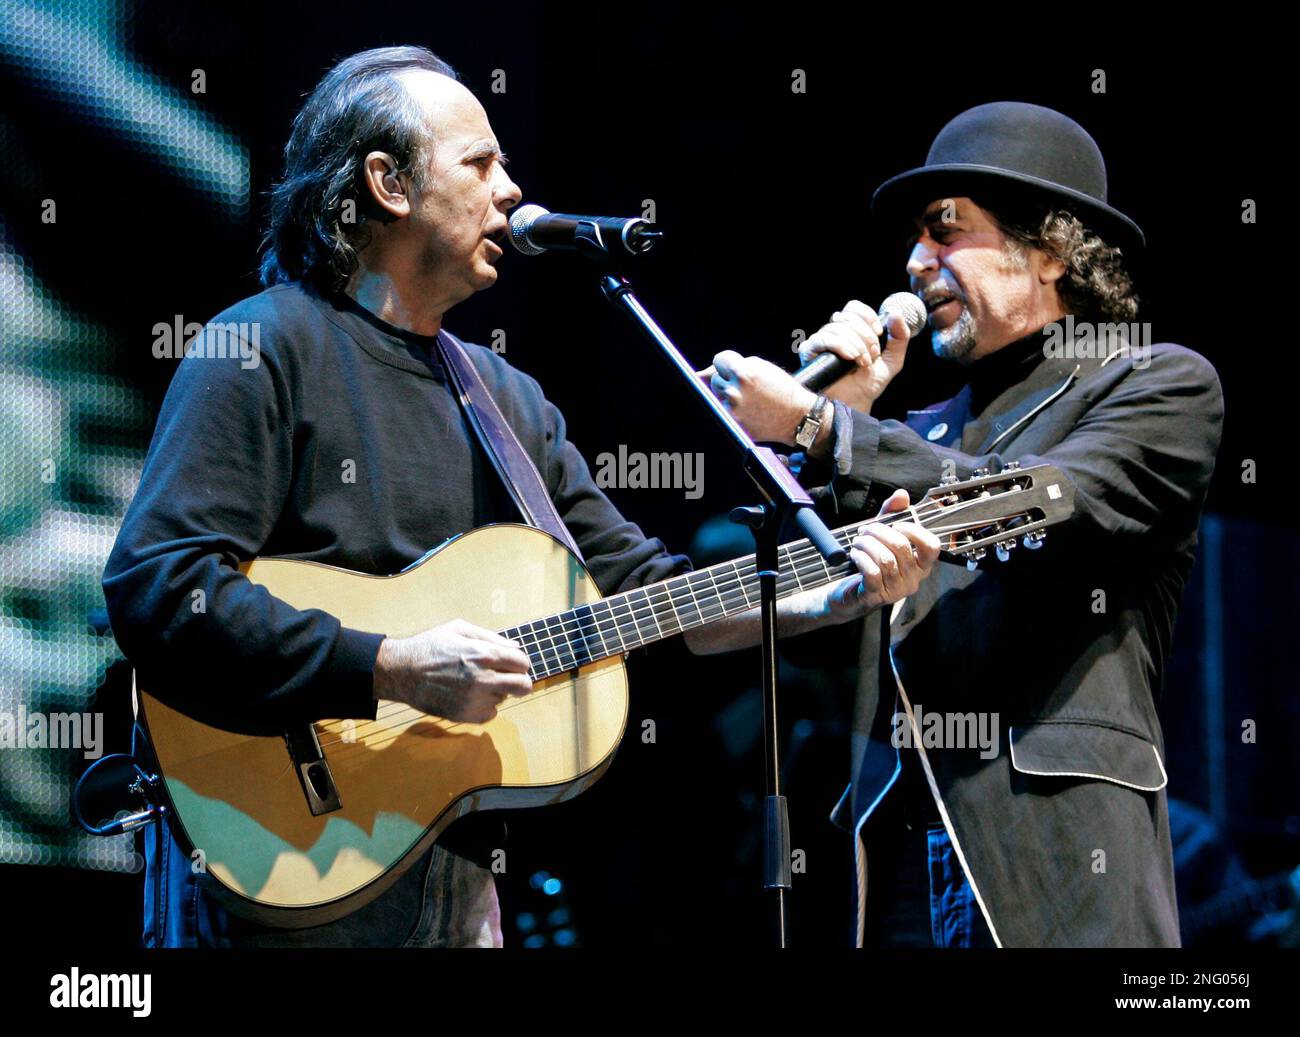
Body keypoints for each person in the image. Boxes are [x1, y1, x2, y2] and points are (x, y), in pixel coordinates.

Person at [101, 45, 938, 948]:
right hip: (267, 865)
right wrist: (389, 665)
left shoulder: (505, 399)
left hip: (451, 878)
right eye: (481, 163)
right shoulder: (264, 347)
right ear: (387, 183)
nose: (512, 190)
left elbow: (644, 596)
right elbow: (160, 587)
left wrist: (834, 596)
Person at [705, 102, 1224, 947]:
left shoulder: (1154, 385)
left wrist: (826, 428)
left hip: (1055, 855)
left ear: (1052, 250)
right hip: (898, 856)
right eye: (915, 240)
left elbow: (1040, 502)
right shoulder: (920, 431)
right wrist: (843, 416)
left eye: (945, 232)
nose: (916, 263)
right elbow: (825, 630)